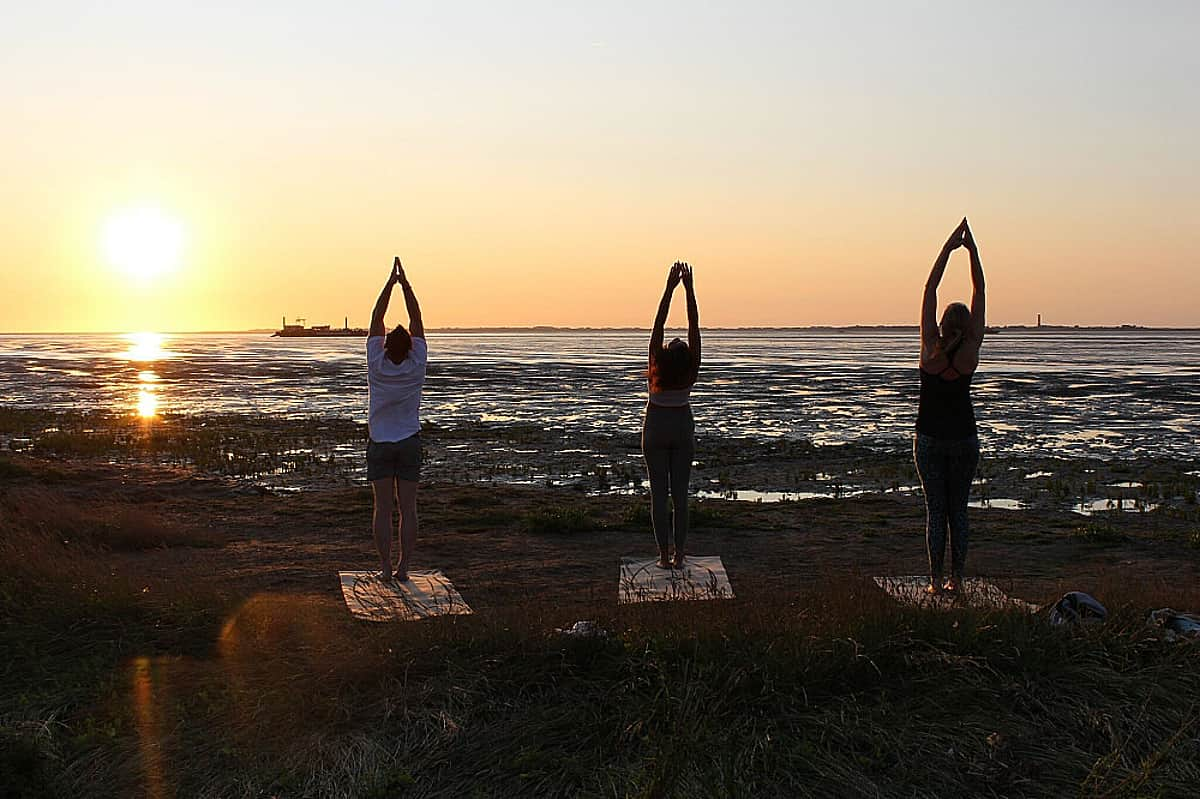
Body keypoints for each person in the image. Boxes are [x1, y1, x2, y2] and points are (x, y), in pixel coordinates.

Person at [915, 218, 985, 594]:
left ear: (942, 323)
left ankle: (935, 581)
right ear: (970, 324)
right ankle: (957, 580)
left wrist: (947, 248)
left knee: (936, 511)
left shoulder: (930, 348)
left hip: (928, 438)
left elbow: (930, 287)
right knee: (958, 510)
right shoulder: (971, 351)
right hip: (964, 438)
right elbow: (980, 289)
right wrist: (972, 252)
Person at [366, 256, 426, 582]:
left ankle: (386, 569)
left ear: (386, 345)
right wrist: (407, 285)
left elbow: (377, 317)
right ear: (411, 347)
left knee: (383, 510)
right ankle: (403, 568)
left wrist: (390, 283)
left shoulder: (376, 362)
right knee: (409, 509)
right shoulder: (417, 363)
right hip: (408, 443)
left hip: (380, 443)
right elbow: (416, 317)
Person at [643, 262, 701, 569]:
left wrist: (670, 288)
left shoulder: (656, 368)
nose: (676, 338)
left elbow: (659, 324)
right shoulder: (691, 369)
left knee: (659, 496)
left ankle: (665, 556)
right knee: (680, 496)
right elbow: (694, 325)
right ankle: (678, 555)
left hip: (655, 427)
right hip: (680, 427)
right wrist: (689, 290)